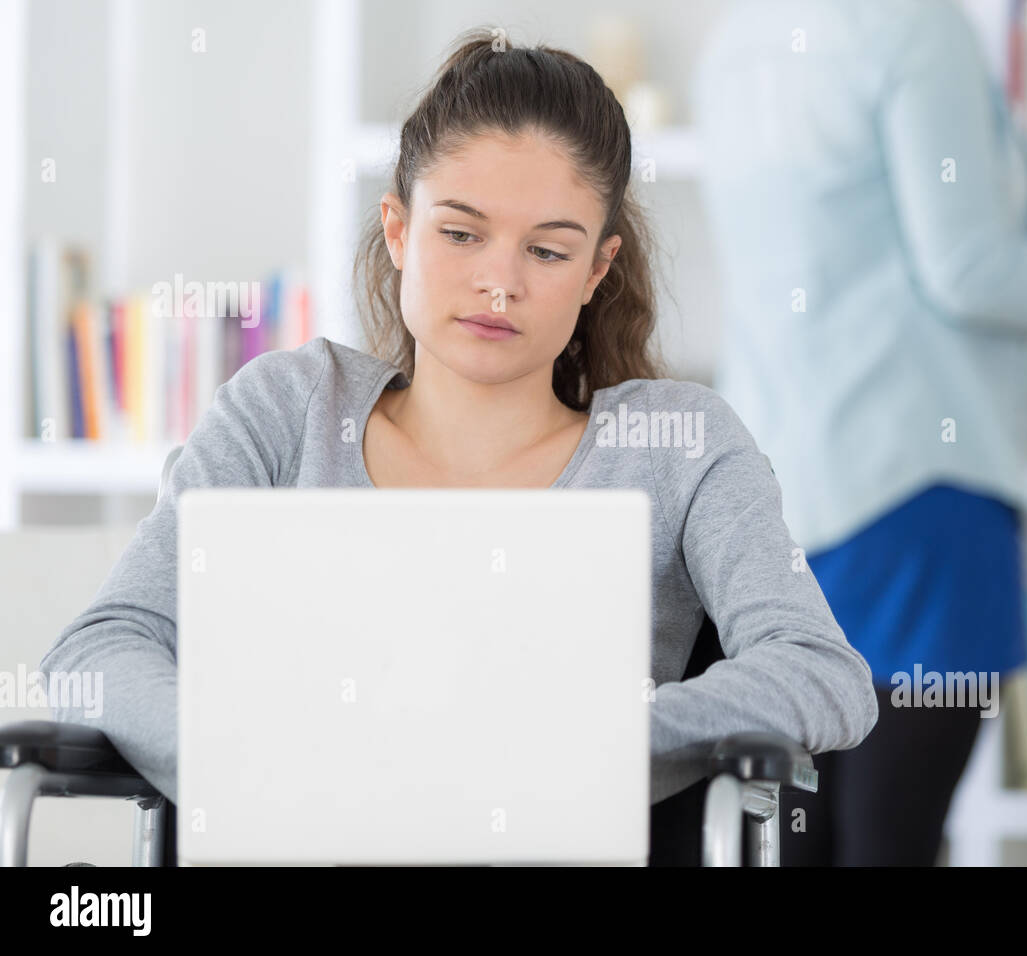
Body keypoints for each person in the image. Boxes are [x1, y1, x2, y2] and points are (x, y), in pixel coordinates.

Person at [39, 28, 878, 855]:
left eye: (548, 251)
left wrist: (595, 743)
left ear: (597, 270)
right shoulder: (286, 411)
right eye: (461, 233)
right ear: (398, 229)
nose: (500, 283)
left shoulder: (677, 448)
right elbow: (102, 647)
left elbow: (820, 671)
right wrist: (249, 758)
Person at [692, 0, 1027, 865]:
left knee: (800, 844)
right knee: (896, 840)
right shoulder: (914, 27)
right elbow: (969, 271)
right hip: (916, 490)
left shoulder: (738, 39)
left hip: (771, 506)